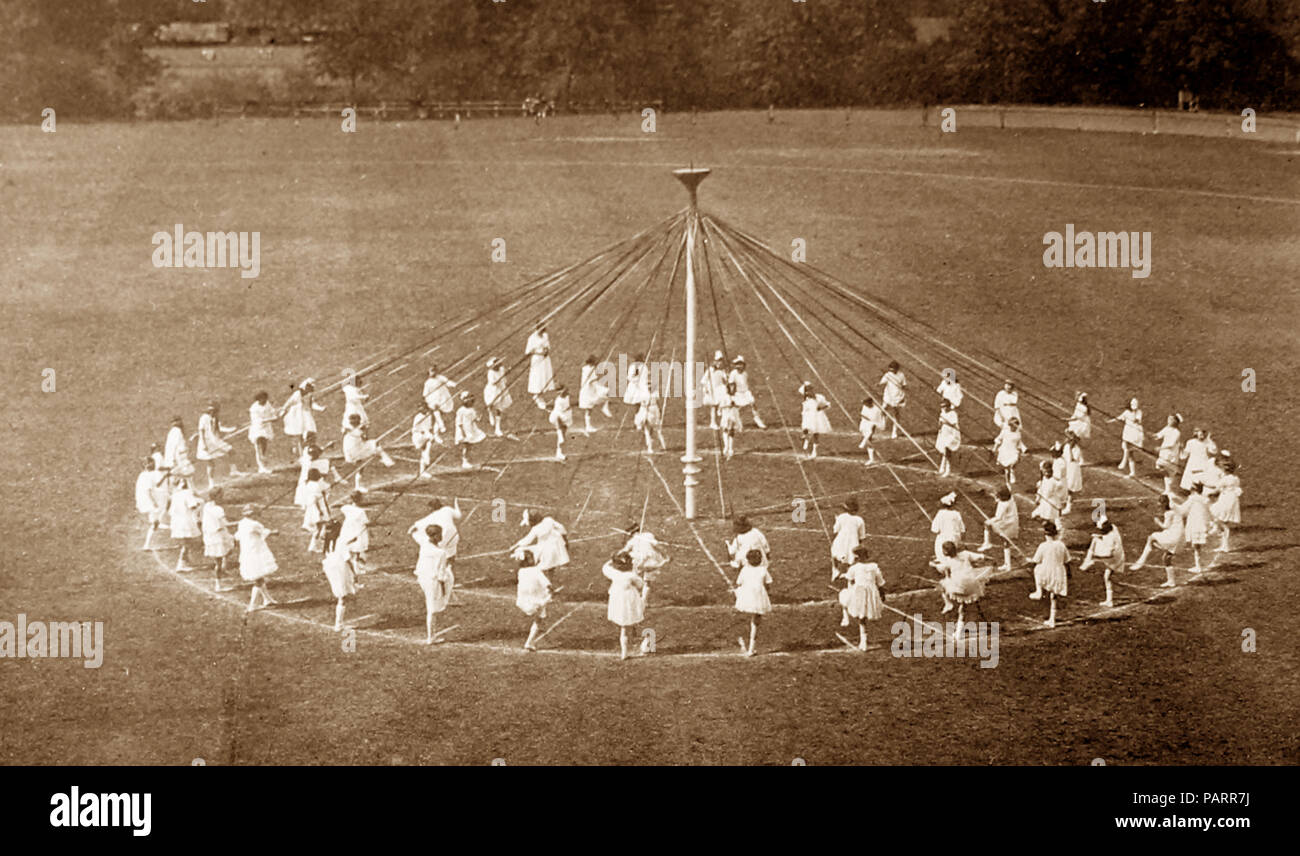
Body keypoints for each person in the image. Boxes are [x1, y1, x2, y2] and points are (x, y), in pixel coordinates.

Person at [1129, 494, 1183, 588]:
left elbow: (1165, 526)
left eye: (1161, 503)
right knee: (1166, 558)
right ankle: (1171, 581)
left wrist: (1158, 522)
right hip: (1180, 537)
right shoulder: (1174, 507)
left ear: (1165, 503)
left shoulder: (1168, 513)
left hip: (1174, 536)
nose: (1159, 505)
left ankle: (1141, 560)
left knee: (1151, 537)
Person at [936, 541, 988, 636]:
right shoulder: (965, 554)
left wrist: (934, 565)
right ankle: (959, 631)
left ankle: (948, 603)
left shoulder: (947, 561)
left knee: (942, 584)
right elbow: (982, 557)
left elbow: (941, 569)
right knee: (964, 606)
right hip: (972, 583)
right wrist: (992, 560)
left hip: (960, 586)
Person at [413, 523, 454, 644]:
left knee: (432, 607)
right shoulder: (440, 553)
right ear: (435, 536)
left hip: (422, 578)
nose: (442, 536)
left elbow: (415, 535)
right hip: (432, 581)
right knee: (432, 609)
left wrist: (414, 530)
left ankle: (432, 635)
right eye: (440, 534)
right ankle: (431, 638)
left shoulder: (424, 543)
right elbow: (441, 575)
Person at [603, 551, 647, 660]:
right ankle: (632, 647)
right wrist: (635, 572)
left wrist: (613, 560)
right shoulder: (631, 575)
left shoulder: (613, 573)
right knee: (629, 624)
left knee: (624, 627)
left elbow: (605, 567)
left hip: (617, 600)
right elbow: (640, 585)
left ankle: (624, 653)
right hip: (629, 601)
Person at [235, 505, 280, 612]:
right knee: (258, 580)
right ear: (252, 514)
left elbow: (237, 536)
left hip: (247, 553)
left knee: (259, 577)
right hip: (256, 553)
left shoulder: (242, 523)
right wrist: (275, 532)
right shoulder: (255, 524)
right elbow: (265, 532)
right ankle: (252, 605)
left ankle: (267, 600)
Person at [839, 546, 885, 649]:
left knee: (844, 596)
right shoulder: (874, 567)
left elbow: (850, 581)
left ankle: (846, 617)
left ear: (857, 557)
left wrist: (845, 576)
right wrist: (882, 594)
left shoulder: (854, 568)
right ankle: (863, 641)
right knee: (862, 617)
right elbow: (880, 583)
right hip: (871, 594)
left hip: (859, 592)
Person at [1029, 521, 1069, 628]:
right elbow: (1067, 560)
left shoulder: (1043, 546)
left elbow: (1036, 560)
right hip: (1059, 573)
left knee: (1037, 569)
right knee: (1054, 596)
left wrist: (1030, 560)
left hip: (1046, 573)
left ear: (1045, 534)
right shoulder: (1061, 545)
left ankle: (1039, 591)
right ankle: (1052, 620)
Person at [733, 549, 772, 657]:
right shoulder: (763, 570)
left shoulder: (745, 570)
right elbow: (768, 585)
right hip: (758, 596)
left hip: (746, 596)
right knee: (755, 622)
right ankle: (751, 649)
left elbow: (738, 583)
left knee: (753, 619)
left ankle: (750, 648)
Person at [342, 413, 395, 491]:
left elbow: (363, 439)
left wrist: (364, 429)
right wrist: (365, 430)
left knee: (361, 466)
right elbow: (364, 438)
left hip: (351, 452)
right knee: (375, 443)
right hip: (355, 452)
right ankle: (386, 460)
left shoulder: (350, 429)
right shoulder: (356, 430)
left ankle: (357, 486)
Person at [1080, 517, 1124, 607]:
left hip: (1113, 558)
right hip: (1118, 556)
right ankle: (1109, 600)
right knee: (1107, 577)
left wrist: (1095, 558)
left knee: (1094, 541)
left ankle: (1087, 561)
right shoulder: (1114, 528)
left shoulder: (1110, 538)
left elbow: (1109, 554)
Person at [322, 522, 358, 632]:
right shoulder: (341, 541)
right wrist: (355, 574)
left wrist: (351, 541)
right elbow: (347, 558)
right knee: (342, 597)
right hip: (339, 567)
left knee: (341, 593)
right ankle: (338, 624)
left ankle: (339, 623)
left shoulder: (328, 541)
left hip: (329, 567)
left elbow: (340, 546)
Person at [623, 524, 669, 609]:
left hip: (640, 562)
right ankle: (643, 602)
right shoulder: (648, 535)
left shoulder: (634, 540)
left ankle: (636, 601)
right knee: (647, 582)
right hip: (650, 561)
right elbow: (658, 546)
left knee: (635, 580)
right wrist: (665, 555)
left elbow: (625, 550)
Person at [511, 509, 569, 576]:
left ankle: (533, 578)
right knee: (552, 563)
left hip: (546, 549)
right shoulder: (549, 520)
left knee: (544, 565)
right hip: (557, 546)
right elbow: (561, 527)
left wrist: (516, 545)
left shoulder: (535, 529)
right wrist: (564, 537)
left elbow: (527, 540)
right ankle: (550, 578)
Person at [515, 550, 552, 652]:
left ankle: (530, 643)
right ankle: (529, 643)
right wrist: (550, 593)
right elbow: (547, 584)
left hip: (522, 601)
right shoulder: (536, 571)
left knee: (537, 616)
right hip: (536, 602)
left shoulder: (521, 571)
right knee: (539, 620)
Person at [977, 485, 1019, 572]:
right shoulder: (1010, 499)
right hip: (1011, 521)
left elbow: (998, 517)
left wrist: (989, 521)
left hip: (1006, 523)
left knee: (988, 525)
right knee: (1005, 542)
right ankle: (1007, 564)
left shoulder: (1003, 505)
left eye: (997, 494)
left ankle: (988, 544)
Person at [201, 487, 235, 592]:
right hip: (218, 536)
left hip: (210, 536)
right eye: (221, 495)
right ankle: (218, 585)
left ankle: (222, 569)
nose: (222, 497)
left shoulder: (206, 506)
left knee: (231, 547)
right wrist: (244, 520)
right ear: (216, 496)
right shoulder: (218, 509)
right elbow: (227, 524)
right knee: (219, 562)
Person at [280, 378, 325, 458]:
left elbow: (312, 404)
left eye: (311, 387)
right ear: (305, 386)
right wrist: (283, 411)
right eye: (308, 387)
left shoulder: (309, 395)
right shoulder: (297, 394)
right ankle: (301, 455)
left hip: (306, 415)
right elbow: (288, 403)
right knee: (299, 435)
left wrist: (320, 408)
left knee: (310, 432)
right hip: (296, 416)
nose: (310, 389)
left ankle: (309, 452)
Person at [196, 401, 236, 486]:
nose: (216, 413)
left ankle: (233, 471)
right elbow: (201, 431)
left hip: (215, 442)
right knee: (211, 463)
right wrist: (203, 444)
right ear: (210, 410)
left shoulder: (214, 418)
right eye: (215, 411)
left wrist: (230, 430)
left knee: (231, 451)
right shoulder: (204, 418)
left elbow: (218, 428)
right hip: (207, 444)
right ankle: (211, 483)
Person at [167, 478, 202, 572]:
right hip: (186, 521)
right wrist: (200, 505)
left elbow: (170, 511)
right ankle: (181, 565)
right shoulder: (187, 493)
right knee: (187, 544)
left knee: (186, 543)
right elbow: (193, 506)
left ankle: (186, 561)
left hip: (176, 521)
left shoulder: (174, 495)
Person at [135, 457, 169, 551]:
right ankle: (146, 545)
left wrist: (165, 476)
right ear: (146, 465)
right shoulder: (147, 477)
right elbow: (148, 491)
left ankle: (158, 522)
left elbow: (156, 485)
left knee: (156, 521)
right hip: (149, 503)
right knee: (154, 524)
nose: (154, 465)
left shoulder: (143, 475)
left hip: (146, 502)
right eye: (152, 463)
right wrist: (154, 503)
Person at [1178, 482, 1213, 573]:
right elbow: (1211, 510)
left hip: (1194, 523)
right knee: (1197, 545)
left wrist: (1173, 505)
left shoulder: (1192, 499)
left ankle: (1198, 566)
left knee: (1196, 545)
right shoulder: (1205, 499)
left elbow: (1182, 511)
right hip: (1203, 523)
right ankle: (1199, 565)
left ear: (1193, 490)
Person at [1210, 458, 1242, 552]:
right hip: (1232, 500)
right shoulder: (1236, 478)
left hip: (1225, 499)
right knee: (1223, 522)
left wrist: (1207, 493)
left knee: (1219, 518)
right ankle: (1224, 544)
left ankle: (1225, 544)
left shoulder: (1224, 479)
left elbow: (1216, 489)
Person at [830, 497, 866, 580]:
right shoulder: (860, 520)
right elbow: (862, 536)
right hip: (853, 542)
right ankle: (850, 573)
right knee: (852, 557)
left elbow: (835, 530)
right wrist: (859, 543)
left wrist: (836, 520)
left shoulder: (842, 517)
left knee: (834, 553)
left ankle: (835, 570)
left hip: (841, 541)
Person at [337, 491, 371, 576]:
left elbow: (343, 508)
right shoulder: (361, 512)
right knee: (357, 551)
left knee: (349, 548)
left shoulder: (346, 507)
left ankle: (353, 566)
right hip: (358, 531)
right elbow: (366, 522)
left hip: (348, 530)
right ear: (360, 499)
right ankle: (357, 569)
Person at [1109, 397, 1144, 478]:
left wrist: (1135, 415)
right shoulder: (1126, 412)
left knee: (1127, 447)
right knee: (1130, 453)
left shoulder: (1139, 412)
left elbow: (1138, 420)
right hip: (1128, 432)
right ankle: (1132, 473)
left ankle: (1123, 461)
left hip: (1135, 432)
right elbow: (1119, 418)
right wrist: (1111, 421)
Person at [578, 355, 612, 434]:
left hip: (592, 387)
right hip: (589, 390)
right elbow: (593, 379)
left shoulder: (587, 368)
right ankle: (588, 426)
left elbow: (595, 373)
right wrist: (603, 374)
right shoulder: (588, 370)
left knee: (607, 392)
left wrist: (601, 372)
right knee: (589, 409)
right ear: (592, 362)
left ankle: (605, 407)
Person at [422, 366, 457, 443]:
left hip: (443, 398)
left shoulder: (440, 377)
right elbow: (425, 394)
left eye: (434, 371)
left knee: (439, 417)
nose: (433, 373)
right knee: (437, 413)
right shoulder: (427, 383)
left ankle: (437, 433)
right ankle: (440, 428)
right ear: (428, 373)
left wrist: (454, 384)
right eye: (431, 371)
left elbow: (447, 382)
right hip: (434, 400)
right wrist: (429, 402)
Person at [729, 356, 765, 428]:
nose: (738, 366)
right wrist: (732, 395)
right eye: (736, 364)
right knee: (735, 408)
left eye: (740, 364)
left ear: (743, 365)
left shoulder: (745, 373)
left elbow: (746, 383)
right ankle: (736, 422)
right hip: (738, 393)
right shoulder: (733, 374)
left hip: (746, 392)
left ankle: (758, 420)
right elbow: (731, 385)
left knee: (753, 404)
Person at [1031, 460, 1066, 532]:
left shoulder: (1054, 481)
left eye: (1048, 472)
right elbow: (1041, 490)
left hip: (1052, 503)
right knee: (1034, 515)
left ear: (1052, 472)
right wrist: (1038, 498)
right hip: (1044, 503)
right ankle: (1047, 524)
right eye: (1045, 472)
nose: (1047, 474)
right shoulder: (1043, 480)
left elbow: (1060, 487)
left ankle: (1058, 530)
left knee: (1056, 519)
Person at [300, 469, 331, 553]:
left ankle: (315, 546)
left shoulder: (309, 484)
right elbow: (316, 499)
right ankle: (313, 547)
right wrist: (320, 511)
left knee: (319, 528)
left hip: (312, 508)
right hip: (317, 509)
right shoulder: (316, 486)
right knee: (319, 529)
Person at [453, 391, 486, 469]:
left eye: (471, 401)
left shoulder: (472, 409)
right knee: (466, 446)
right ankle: (464, 461)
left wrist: (479, 417)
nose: (470, 402)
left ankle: (466, 460)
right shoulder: (461, 410)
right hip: (464, 430)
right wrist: (463, 433)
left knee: (469, 446)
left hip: (470, 429)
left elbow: (475, 419)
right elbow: (459, 423)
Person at [248, 391, 278, 474]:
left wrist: (274, 414)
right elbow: (258, 421)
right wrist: (271, 419)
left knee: (264, 446)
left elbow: (272, 411)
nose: (264, 400)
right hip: (257, 428)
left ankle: (263, 466)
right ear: (258, 399)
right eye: (262, 399)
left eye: (265, 398)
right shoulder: (254, 408)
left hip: (266, 428)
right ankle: (261, 467)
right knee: (259, 447)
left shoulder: (267, 403)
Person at [525, 325, 555, 409]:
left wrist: (546, 350)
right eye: (540, 330)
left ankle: (540, 396)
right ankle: (537, 396)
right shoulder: (531, 338)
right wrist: (539, 353)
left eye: (543, 330)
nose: (542, 332)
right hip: (537, 360)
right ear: (536, 329)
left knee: (544, 376)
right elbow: (528, 352)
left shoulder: (545, 335)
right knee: (537, 377)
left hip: (545, 359)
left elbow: (547, 345)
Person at [799, 381, 832, 459]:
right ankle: (806, 444)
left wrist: (821, 408)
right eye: (807, 391)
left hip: (817, 418)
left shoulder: (819, 397)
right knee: (807, 432)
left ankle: (814, 451)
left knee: (816, 434)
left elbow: (827, 405)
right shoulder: (806, 400)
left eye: (810, 389)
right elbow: (804, 412)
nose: (809, 392)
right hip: (808, 418)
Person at [1153, 414, 1183, 495]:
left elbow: (1171, 444)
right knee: (1160, 466)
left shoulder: (1177, 432)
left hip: (1172, 454)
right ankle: (1168, 489)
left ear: (1175, 422)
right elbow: (1159, 435)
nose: (1168, 421)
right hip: (1164, 453)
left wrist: (1160, 448)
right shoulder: (1166, 429)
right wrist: (1154, 435)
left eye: (1170, 419)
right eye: (1168, 419)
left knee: (1170, 472)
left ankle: (1168, 490)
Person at [483, 357, 513, 438]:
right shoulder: (490, 373)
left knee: (499, 409)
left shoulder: (502, 369)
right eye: (496, 364)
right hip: (493, 391)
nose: (499, 364)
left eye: (498, 363)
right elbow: (494, 382)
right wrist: (505, 374)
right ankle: (489, 412)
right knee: (491, 405)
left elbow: (504, 379)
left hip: (502, 389)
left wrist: (507, 372)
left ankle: (497, 428)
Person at [993, 417, 1027, 487]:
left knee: (1014, 462)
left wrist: (1020, 452)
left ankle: (1012, 472)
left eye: (1016, 427)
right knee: (1006, 468)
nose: (1014, 428)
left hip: (1014, 451)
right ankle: (1007, 481)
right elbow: (999, 439)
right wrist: (994, 448)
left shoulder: (1018, 434)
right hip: (1005, 451)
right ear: (1010, 425)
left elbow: (1019, 444)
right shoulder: (1005, 431)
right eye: (1013, 426)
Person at [930, 492, 964, 562]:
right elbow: (962, 529)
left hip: (944, 539)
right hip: (956, 538)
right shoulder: (957, 514)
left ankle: (942, 560)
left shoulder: (940, 514)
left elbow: (935, 530)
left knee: (939, 544)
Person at [1179, 427, 1214, 493]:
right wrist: (1181, 449)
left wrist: (1209, 440)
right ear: (1196, 434)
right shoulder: (1190, 442)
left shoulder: (1207, 443)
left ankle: (1198, 490)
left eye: (1203, 434)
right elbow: (1184, 455)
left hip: (1203, 463)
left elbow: (1214, 451)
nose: (1202, 436)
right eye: (1200, 434)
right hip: (1193, 463)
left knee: (1200, 479)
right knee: (1190, 478)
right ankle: (1187, 490)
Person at [701, 350, 728, 430]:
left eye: (721, 362)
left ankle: (723, 422)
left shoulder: (722, 371)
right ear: (715, 362)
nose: (719, 363)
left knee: (723, 404)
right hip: (711, 391)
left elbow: (725, 381)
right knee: (713, 407)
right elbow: (703, 381)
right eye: (718, 361)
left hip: (720, 391)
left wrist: (727, 378)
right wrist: (705, 389)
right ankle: (713, 423)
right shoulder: (710, 370)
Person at [879, 361, 906, 438]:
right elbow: (882, 382)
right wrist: (878, 384)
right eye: (890, 369)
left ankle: (894, 432)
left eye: (893, 369)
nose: (891, 371)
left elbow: (904, 385)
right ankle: (883, 421)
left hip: (897, 397)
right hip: (888, 396)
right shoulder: (887, 375)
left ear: (897, 369)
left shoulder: (901, 375)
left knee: (896, 414)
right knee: (883, 409)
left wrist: (901, 395)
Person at [935, 400, 961, 477]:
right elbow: (940, 423)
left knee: (947, 451)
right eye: (942, 406)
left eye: (945, 406)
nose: (944, 408)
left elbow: (953, 424)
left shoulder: (953, 414)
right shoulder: (942, 413)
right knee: (944, 451)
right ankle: (942, 468)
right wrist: (939, 427)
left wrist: (944, 422)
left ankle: (948, 469)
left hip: (952, 433)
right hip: (944, 433)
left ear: (948, 406)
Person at [548, 383, 572, 462]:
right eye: (559, 391)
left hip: (565, 415)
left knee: (563, 434)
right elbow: (558, 416)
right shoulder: (558, 401)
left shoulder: (567, 395)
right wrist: (559, 426)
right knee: (561, 436)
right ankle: (559, 452)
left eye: (562, 390)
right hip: (557, 417)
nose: (562, 392)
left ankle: (559, 453)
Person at [858, 395, 885, 462]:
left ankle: (863, 442)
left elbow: (874, 421)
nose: (864, 404)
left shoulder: (876, 410)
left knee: (869, 434)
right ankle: (871, 459)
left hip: (873, 424)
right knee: (869, 441)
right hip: (864, 423)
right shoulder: (865, 406)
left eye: (865, 403)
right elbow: (863, 415)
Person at [411, 404, 436, 477]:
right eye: (419, 407)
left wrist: (430, 434)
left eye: (423, 407)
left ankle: (422, 471)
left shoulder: (429, 416)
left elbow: (429, 427)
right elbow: (419, 429)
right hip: (418, 435)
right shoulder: (418, 417)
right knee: (426, 448)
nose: (421, 409)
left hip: (425, 435)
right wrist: (429, 435)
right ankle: (426, 459)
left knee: (425, 449)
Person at [1062, 432, 1083, 513]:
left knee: (1071, 489)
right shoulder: (1066, 446)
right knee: (1065, 487)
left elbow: (1071, 459)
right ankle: (1066, 505)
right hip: (1067, 468)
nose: (1067, 441)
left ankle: (1068, 507)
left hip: (1073, 470)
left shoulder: (1077, 449)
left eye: (1070, 440)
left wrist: (1070, 449)